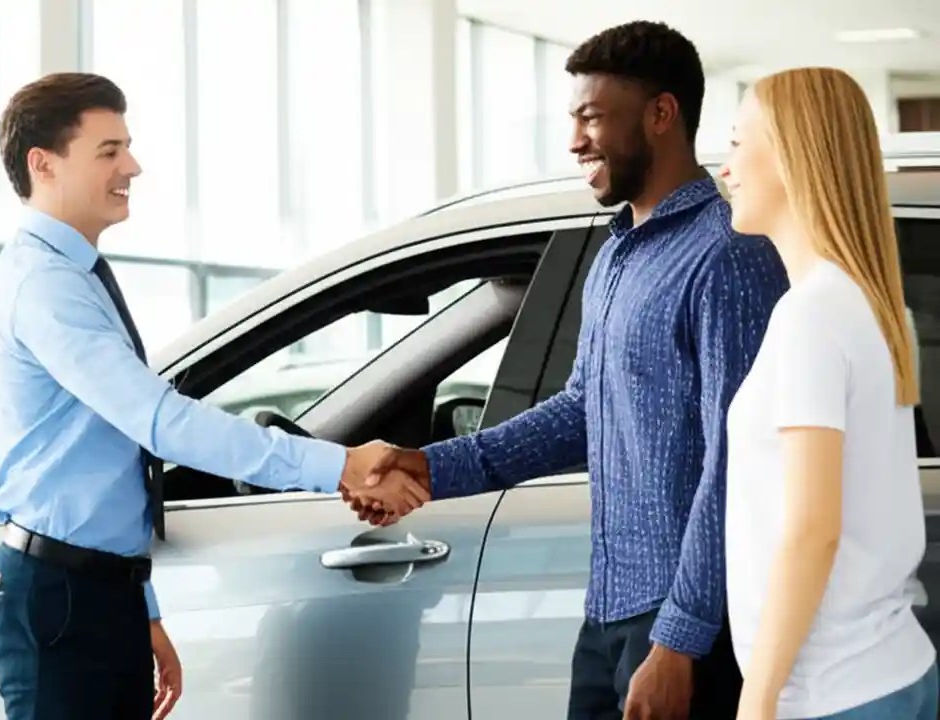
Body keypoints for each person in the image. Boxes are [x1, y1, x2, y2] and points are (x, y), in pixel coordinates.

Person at [348, 21, 789, 719]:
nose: (575, 141)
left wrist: (680, 640)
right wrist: (429, 467)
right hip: (611, 610)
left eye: (592, 117)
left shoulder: (727, 256)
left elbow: (735, 463)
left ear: (661, 114)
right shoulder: (615, 256)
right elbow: (581, 411)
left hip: (684, 624)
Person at [0, 72, 422, 720]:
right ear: (43, 165)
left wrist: (139, 605)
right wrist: (341, 465)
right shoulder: (44, 284)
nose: (132, 166)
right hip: (61, 598)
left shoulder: (73, 273)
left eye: (127, 147)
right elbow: (160, 422)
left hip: (96, 590)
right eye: (108, 151)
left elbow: (106, 461)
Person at [719, 67, 938, 720]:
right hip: (888, 671)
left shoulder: (811, 315)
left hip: (833, 694)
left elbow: (813, 528)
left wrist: (757, 699)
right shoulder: (872, 306)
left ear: (791, 155)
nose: (725, 168)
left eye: (737, 143)